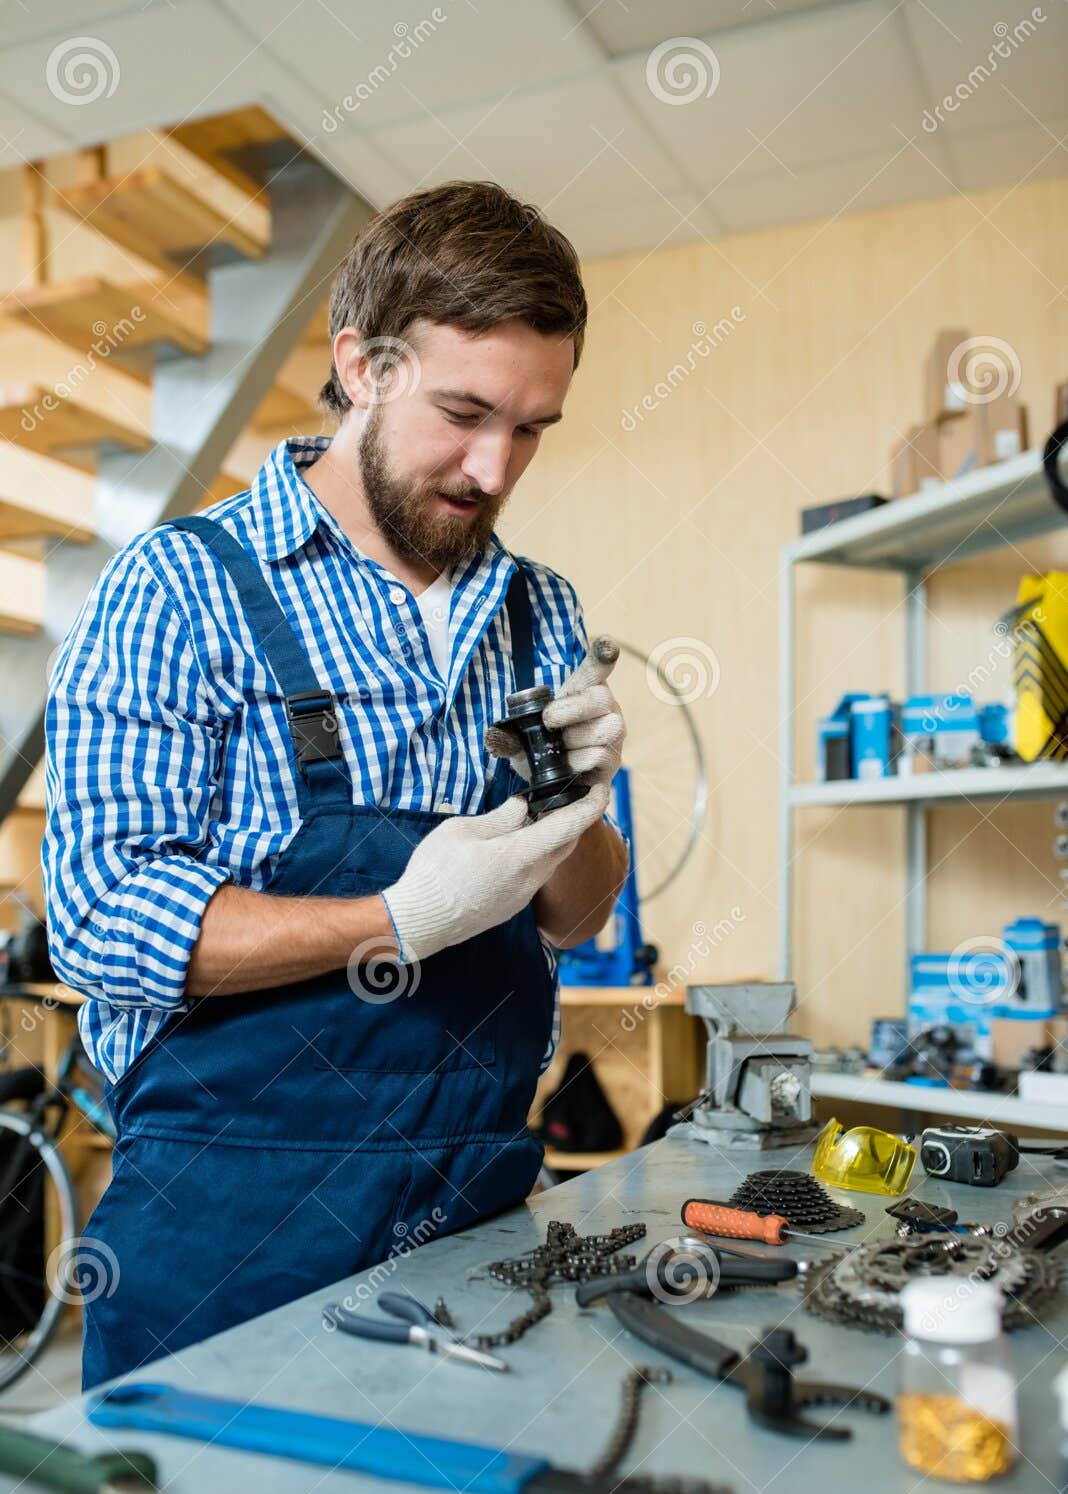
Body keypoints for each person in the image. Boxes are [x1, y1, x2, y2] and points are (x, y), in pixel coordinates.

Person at [42, 179, 629, 1390]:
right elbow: (101, 918)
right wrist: (394, 921)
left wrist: (579, 802)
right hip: (230, 1221)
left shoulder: (539, 608)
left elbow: (578, 914)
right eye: (464, 411)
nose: (493, 466)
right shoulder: (176, 589)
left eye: (530, 429)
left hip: (475, 1202)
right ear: (360, 364)